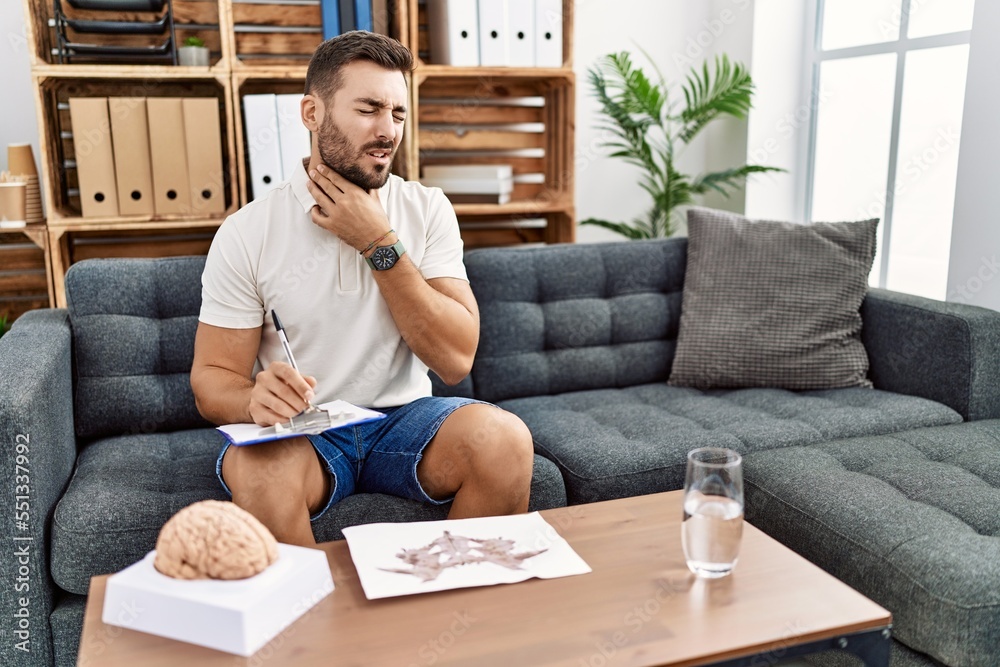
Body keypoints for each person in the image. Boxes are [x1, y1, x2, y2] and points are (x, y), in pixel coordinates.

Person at [190, 31, 534, 547]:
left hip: (408, 420)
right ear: (312, 113)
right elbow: (211, 380)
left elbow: (457, 358)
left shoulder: (427, 208)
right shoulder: (248, 231)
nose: (388, 131)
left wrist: (377, 242)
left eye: (397, 113)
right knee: (260, 472)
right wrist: (252, 398)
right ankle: (317, 627)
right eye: (369, 109)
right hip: (303, 431)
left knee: (505, 440)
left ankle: (457, 619)